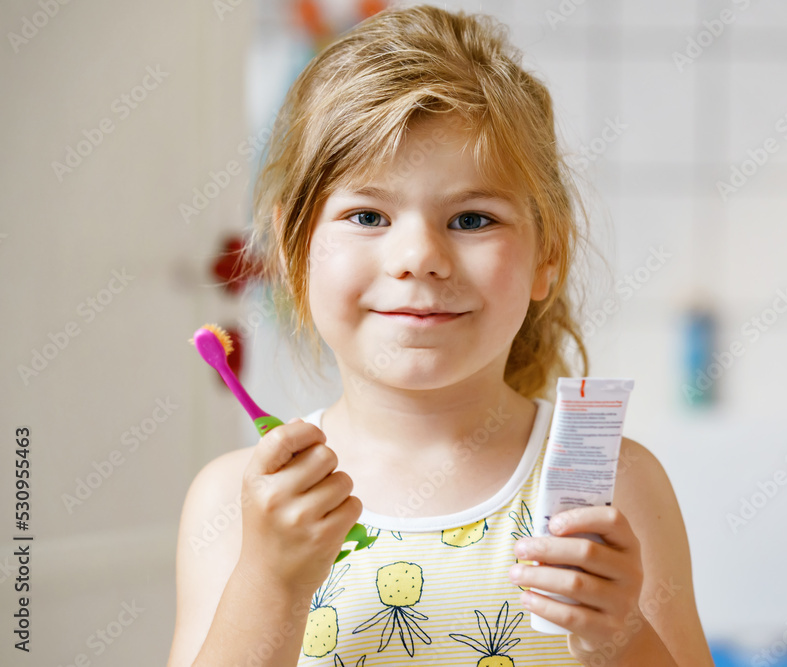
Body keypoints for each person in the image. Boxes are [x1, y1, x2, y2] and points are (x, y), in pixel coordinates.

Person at [167, 5, 713, 666]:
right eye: (368, 215)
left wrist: (619, 634)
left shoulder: (618, 486)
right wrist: (271, 582)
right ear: (292, 250)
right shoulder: (236, 500)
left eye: (472, 219)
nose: (420, 256)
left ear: (549, 254)